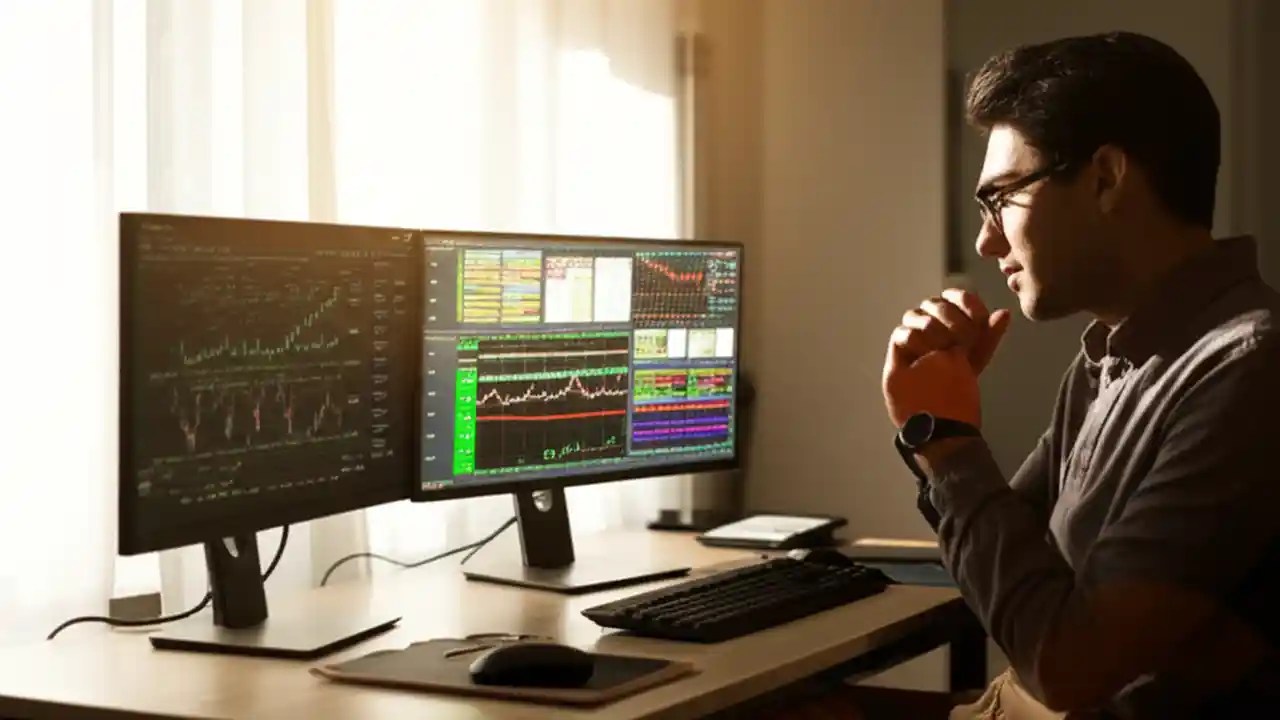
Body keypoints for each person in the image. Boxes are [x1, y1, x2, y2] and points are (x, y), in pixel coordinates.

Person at [879, 30, 1280, 719]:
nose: (985, 240)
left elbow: (1067, 667)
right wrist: (938, 446)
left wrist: (944, 438)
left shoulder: (1247, 371)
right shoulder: (1114, 355)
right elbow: (1016, 563)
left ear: (1104, 178)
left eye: (1001, 197)